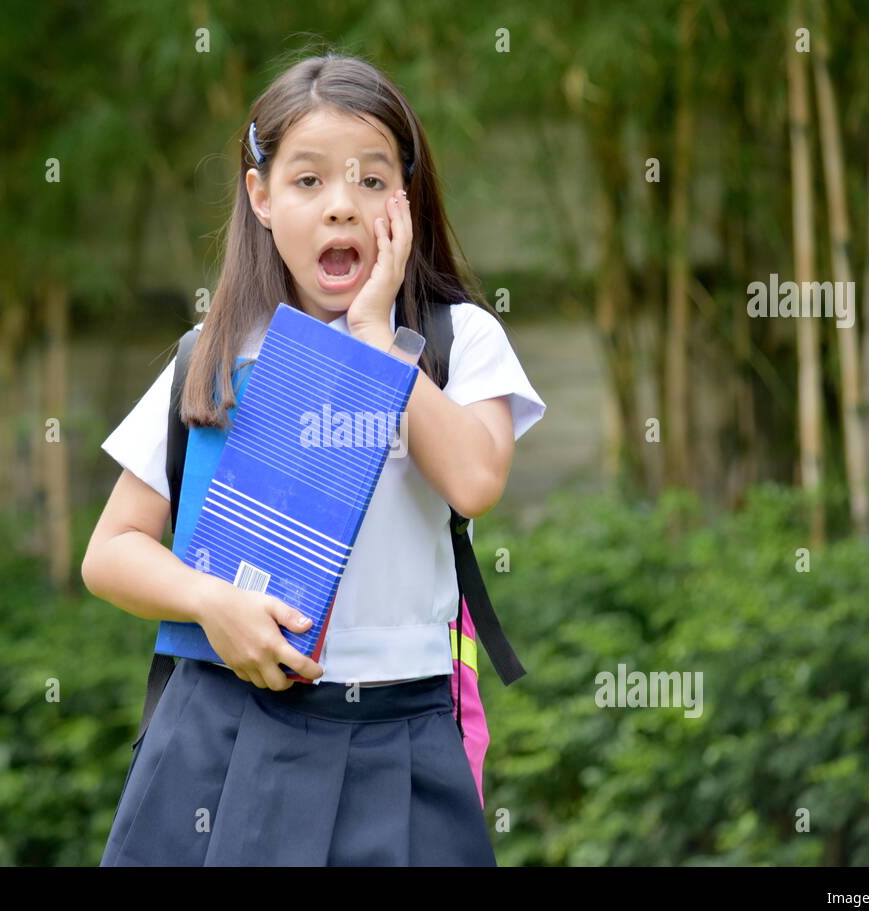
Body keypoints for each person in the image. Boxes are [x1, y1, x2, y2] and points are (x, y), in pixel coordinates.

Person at [82, 52, 546, 866]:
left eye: (372, 179)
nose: (341, 204)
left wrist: (373, 338)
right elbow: (111, 552)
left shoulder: (455, 339)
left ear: (407, 196)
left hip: (403, 732)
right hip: (226, 726)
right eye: (308, 180)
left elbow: (476, 480)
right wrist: (211, 603)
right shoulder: (214, 353)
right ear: (260, 197)